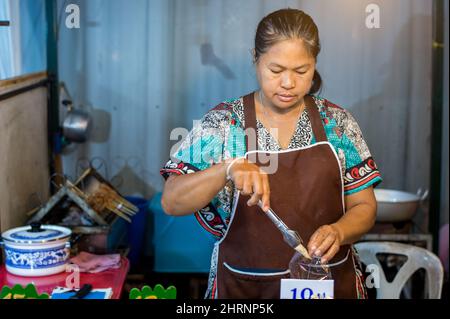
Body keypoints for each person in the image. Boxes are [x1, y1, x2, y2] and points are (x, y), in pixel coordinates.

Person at [160, 8, 381, 299]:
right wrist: (228, 168)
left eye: (301, 71)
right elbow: (172, 201)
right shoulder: (225, 124)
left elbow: (364, 208)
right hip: (243, 289)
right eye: (275, 70)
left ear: (314, 64)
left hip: (328, 286)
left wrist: (339, 232)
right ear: (255, 58)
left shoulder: (337, 124)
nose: (288, 83)